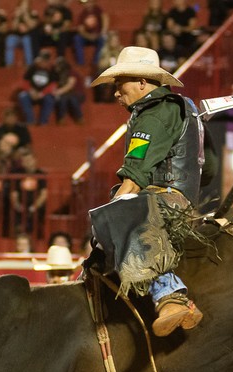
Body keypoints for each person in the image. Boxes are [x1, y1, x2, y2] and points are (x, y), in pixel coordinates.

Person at [88, 45, 205, 336]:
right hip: (178, 197)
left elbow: (134, 178)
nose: (116, 92)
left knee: (118, 218)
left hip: (164, 199)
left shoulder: (153, 116)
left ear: (142, 83)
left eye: (120, 84)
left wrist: (107, 217)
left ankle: (170, 296)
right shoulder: (177, 107)